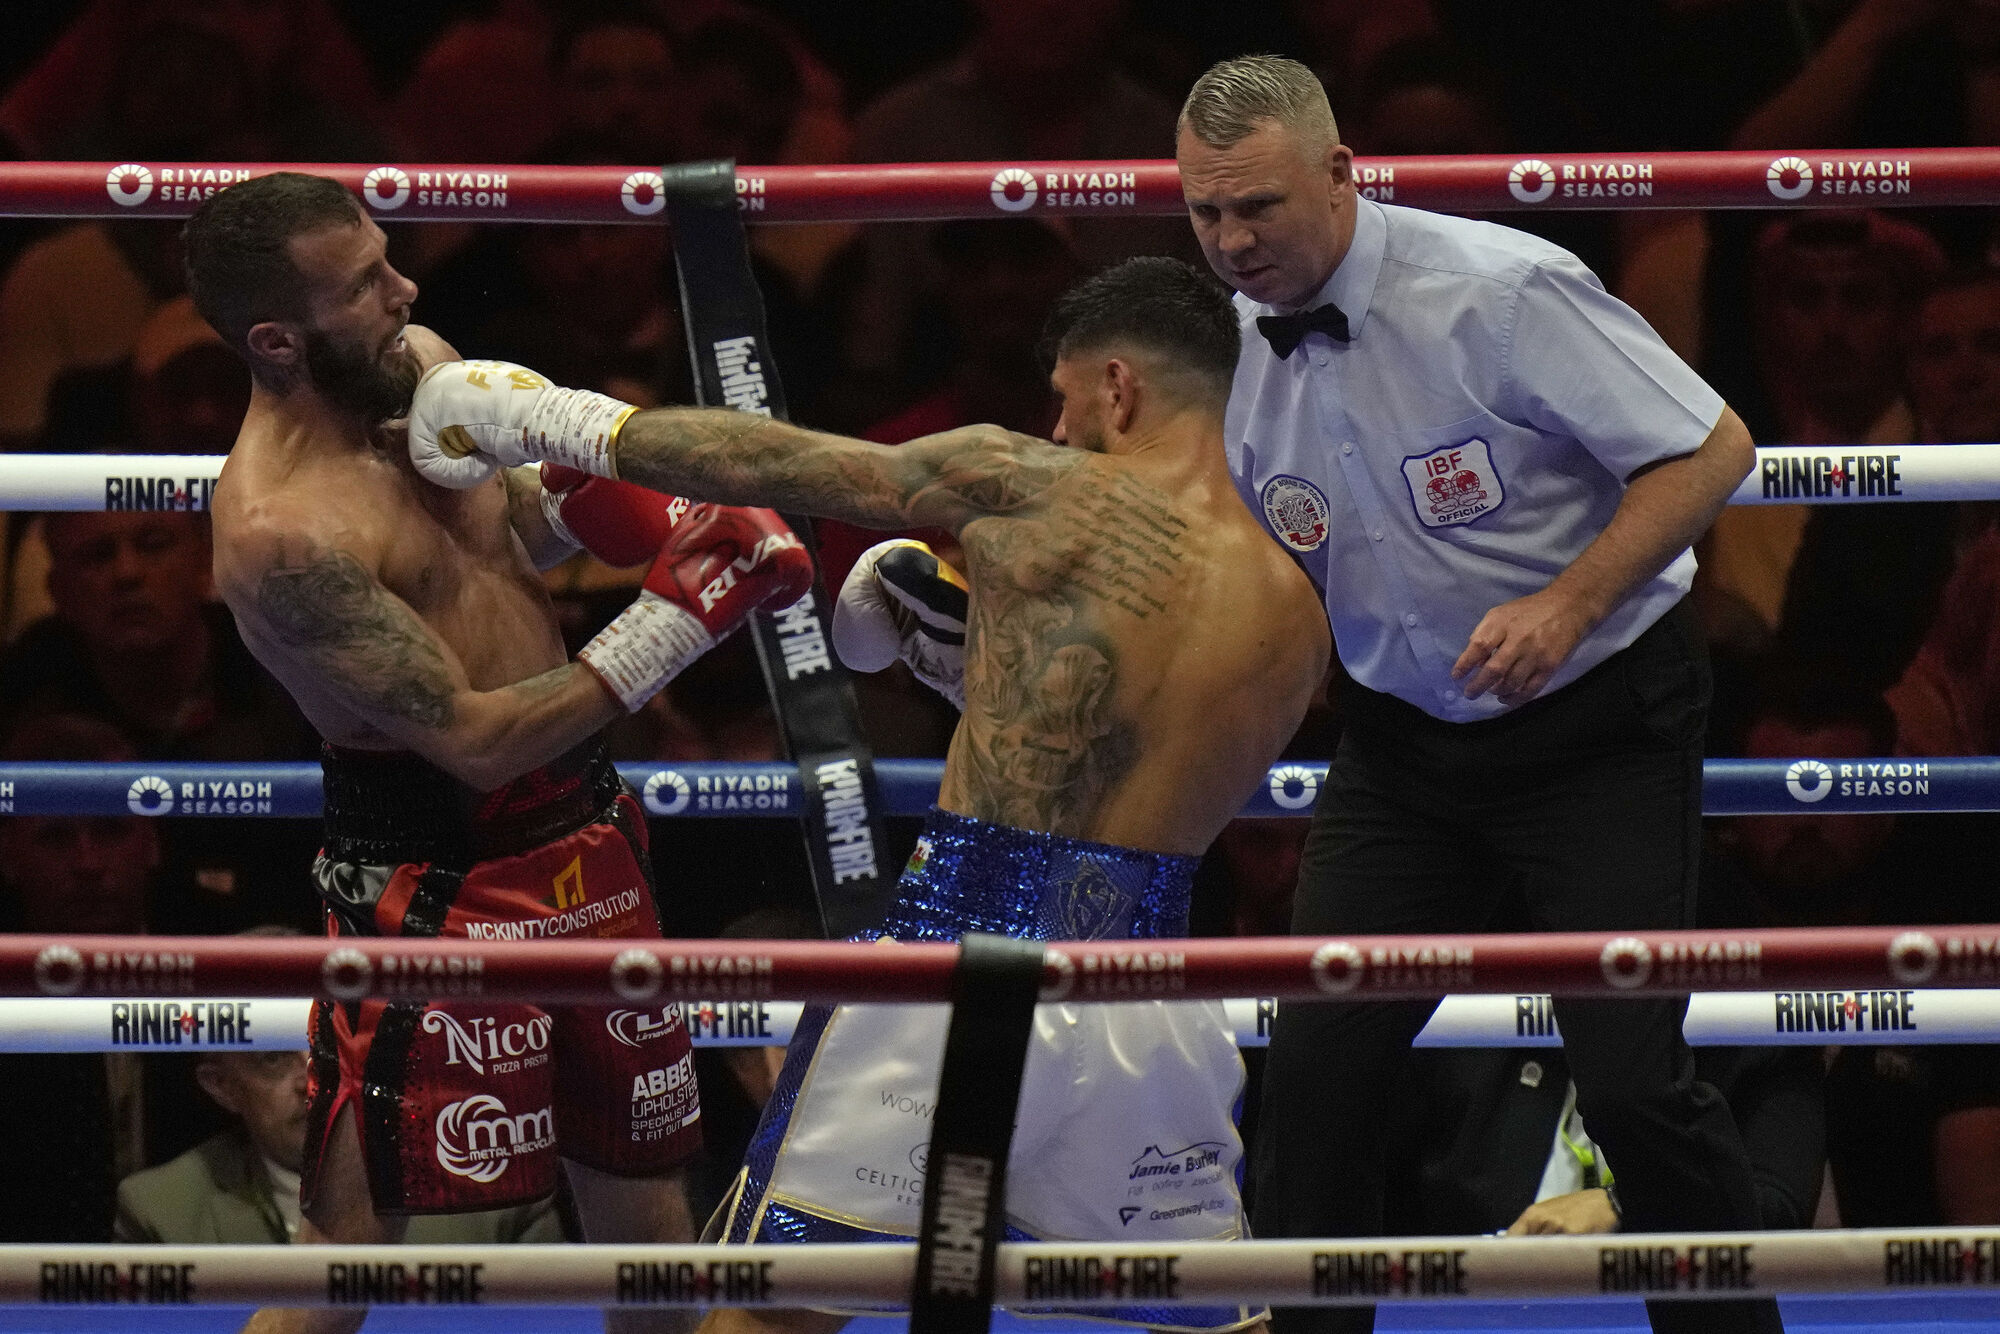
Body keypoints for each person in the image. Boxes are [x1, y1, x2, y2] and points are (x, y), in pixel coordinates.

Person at [407, 253, 1330, 1333]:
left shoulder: (1030, 481)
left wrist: (554, 420)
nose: (1061, 428)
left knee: (769, 1309)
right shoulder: (1294, 600)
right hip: (1147, 991)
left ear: (1117, 386)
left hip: (961, 958)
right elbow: (1129, 752)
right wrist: (966, 667)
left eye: (1067, 402)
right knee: (1206, 1315)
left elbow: (784, 462)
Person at [1173, 56, 1775, 1334]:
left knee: (1629, 1083)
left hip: (1599, 722)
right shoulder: (1222, 338)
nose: (1230, 242)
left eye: (1258, 210)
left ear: (1339, 175)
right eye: (1205, 213)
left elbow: (1710, 444)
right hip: (1402, 748)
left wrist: (1568, 599)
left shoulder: (1496, 290)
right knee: (1318, 1074)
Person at [183, 170, 815, 1334]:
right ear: (276, 338)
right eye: (365, 282)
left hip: (583, 827)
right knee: (346, 1256)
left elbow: (512, 515)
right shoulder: (283, 531)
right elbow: (471, 739)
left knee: (648, 1223)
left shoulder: (417, 360)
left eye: (387, 257)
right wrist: (679, 615)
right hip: (436, 873)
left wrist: (584, 502)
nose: (405, 287)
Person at [117, 1035, 560, 1245]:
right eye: (273, 1058)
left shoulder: (499, 1189)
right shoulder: (159, 1213)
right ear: (222, 1087)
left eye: (327, 1045)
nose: (313, 1077)